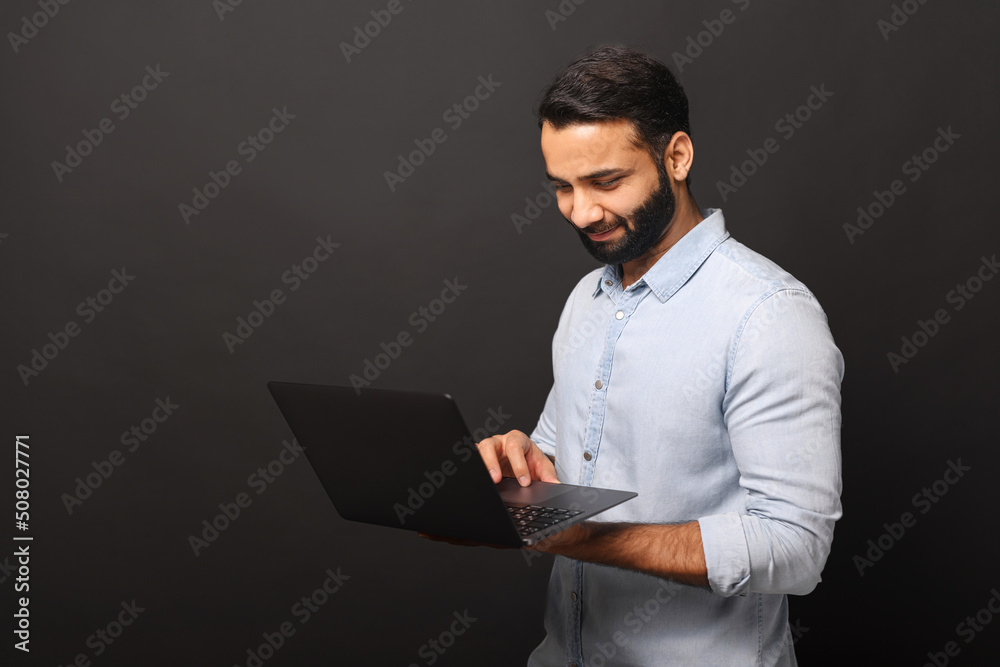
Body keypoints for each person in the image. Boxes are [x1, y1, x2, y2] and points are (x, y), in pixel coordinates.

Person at [428, 44, 844, 666]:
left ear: (676, 156)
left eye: (606, 181)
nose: (581, 212)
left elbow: (796, 548)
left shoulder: (769, 315)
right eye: (562, 187)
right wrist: (517, 465)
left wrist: (583, 539)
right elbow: (561, 450)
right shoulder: (587, 298)